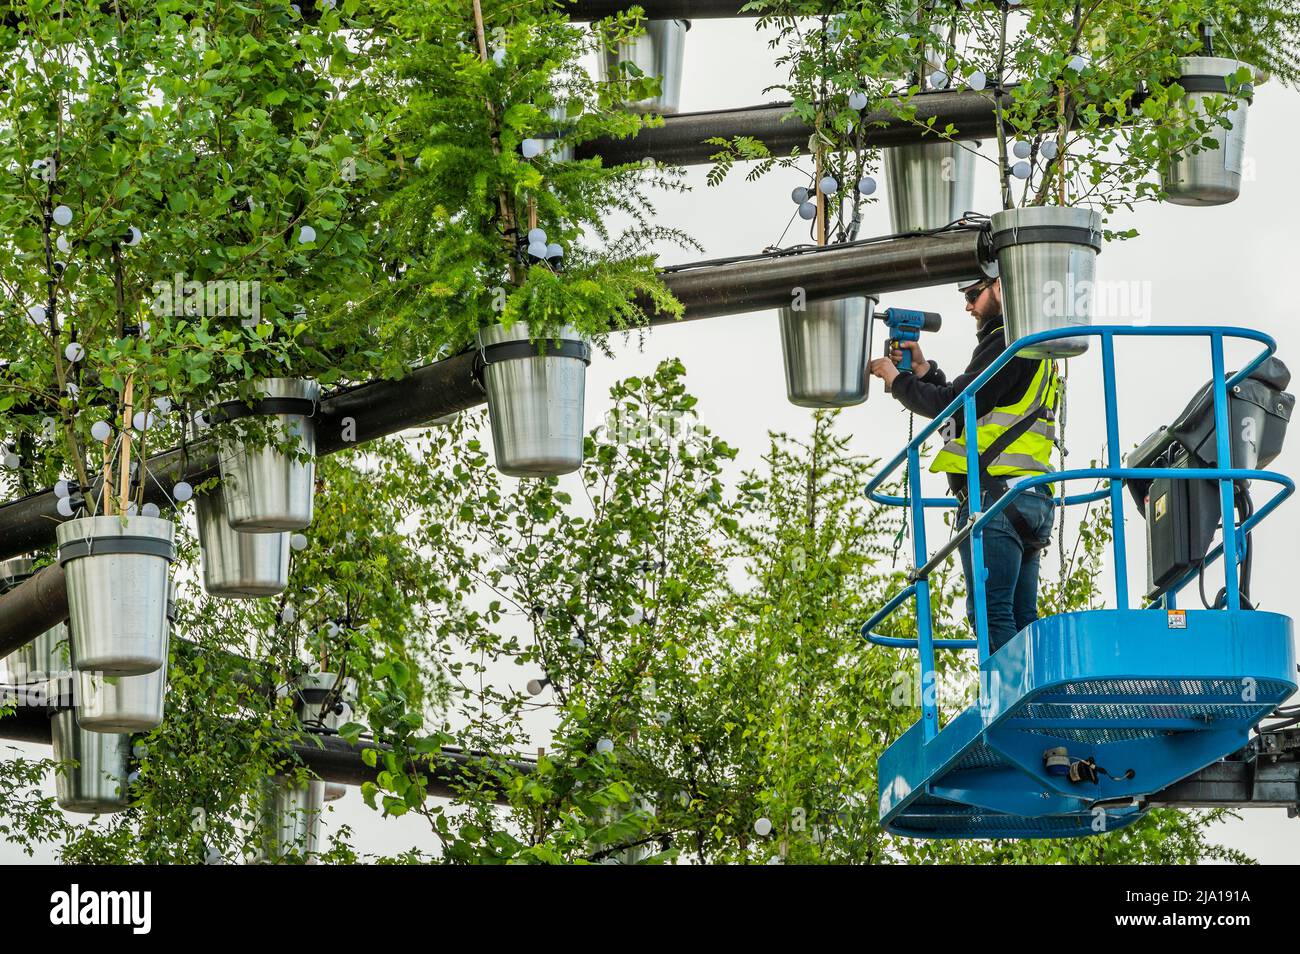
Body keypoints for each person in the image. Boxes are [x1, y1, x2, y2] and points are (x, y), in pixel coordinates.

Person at [868, 277, 1061, 654]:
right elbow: (965, 419)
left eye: (974, 295)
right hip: (1027, 497)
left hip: (997, 501)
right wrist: (924, 373)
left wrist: (898, 382)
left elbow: (955, 404)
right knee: (1022, 618)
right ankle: (1035, 701)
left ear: (1002, 286)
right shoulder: (1032, 347)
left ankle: (1008, 703)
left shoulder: (1009, 341)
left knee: (991, 615)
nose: (968, 307)